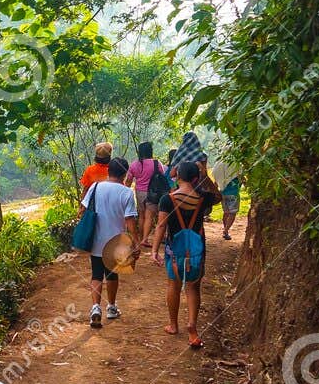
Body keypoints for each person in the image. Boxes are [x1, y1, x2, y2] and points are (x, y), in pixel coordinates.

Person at [148, 161, 220, 349]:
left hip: (174, 249)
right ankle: (192, 327)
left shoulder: (168, 198)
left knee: (174, 284)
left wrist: (154, 250)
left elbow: (161, 226)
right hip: (197, 249)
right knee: (193, 288)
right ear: (196, 178)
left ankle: (173, 325)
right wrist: (205, 175)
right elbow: (219, 196)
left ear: (177, 176)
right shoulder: (203, 197)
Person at [80, 156, 137, 329]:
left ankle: (96, 307)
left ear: (109, 171)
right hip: (116, 241)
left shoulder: (96, 187)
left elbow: (83, 208)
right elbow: (129, 220)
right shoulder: (127, 192)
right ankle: (111, 307)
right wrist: (135, 242)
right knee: (112, 274)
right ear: (124, 173)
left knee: (96, 274)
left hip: (96, 238)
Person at [125, 142, 166, 249]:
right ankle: (145, 239)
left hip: (139, 192)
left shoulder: (134, 164)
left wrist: (124, 190)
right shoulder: (157, 163)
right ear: (150, 151)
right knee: (149, 216)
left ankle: (140, 238)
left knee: (141, 215)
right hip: (153, 193)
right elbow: (162, 177)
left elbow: (128, 181)